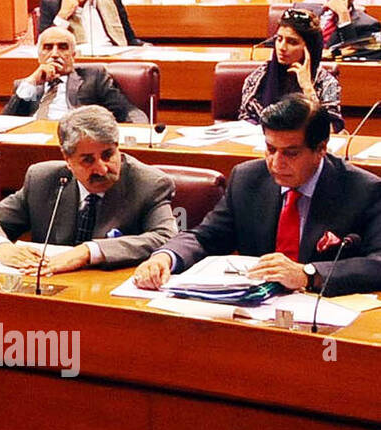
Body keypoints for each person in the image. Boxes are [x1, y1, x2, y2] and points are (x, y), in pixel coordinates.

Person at [133, 95, 381, 296]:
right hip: (256, 306)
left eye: (290, 153)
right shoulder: (248, 178)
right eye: (271, 149)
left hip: (323, 312)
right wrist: (165, 257)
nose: (276, 162)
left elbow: (377, 263)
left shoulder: (363, 190)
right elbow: (206, 237)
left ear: (321, 150)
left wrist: (308, 274)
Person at [0, 105, 176, 273]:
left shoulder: (150, 183)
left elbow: (165, 237)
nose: (102, 169)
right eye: (88, 160)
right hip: (50, 289)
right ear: (67, 160)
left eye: (108, 155)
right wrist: (2, 248)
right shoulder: (42, 180)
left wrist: (89, 251)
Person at [2, 27, 147, 122]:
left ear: (73, 54)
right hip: (34, 142)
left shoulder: (93, 76)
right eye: (48, 47)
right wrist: (32, 81)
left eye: (62, 47)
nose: (54, 54)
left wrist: (139, 131)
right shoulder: (28, 85)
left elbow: (128, 111)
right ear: (39, 54)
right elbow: (6, 121)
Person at [239, 9, 343, 131]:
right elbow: (245, 119)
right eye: (279, 39)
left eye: (292, 42)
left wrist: (308, 88)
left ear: (309, 48)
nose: (282, 47)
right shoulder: (258, 77)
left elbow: (329, 128)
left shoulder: (328, 83)